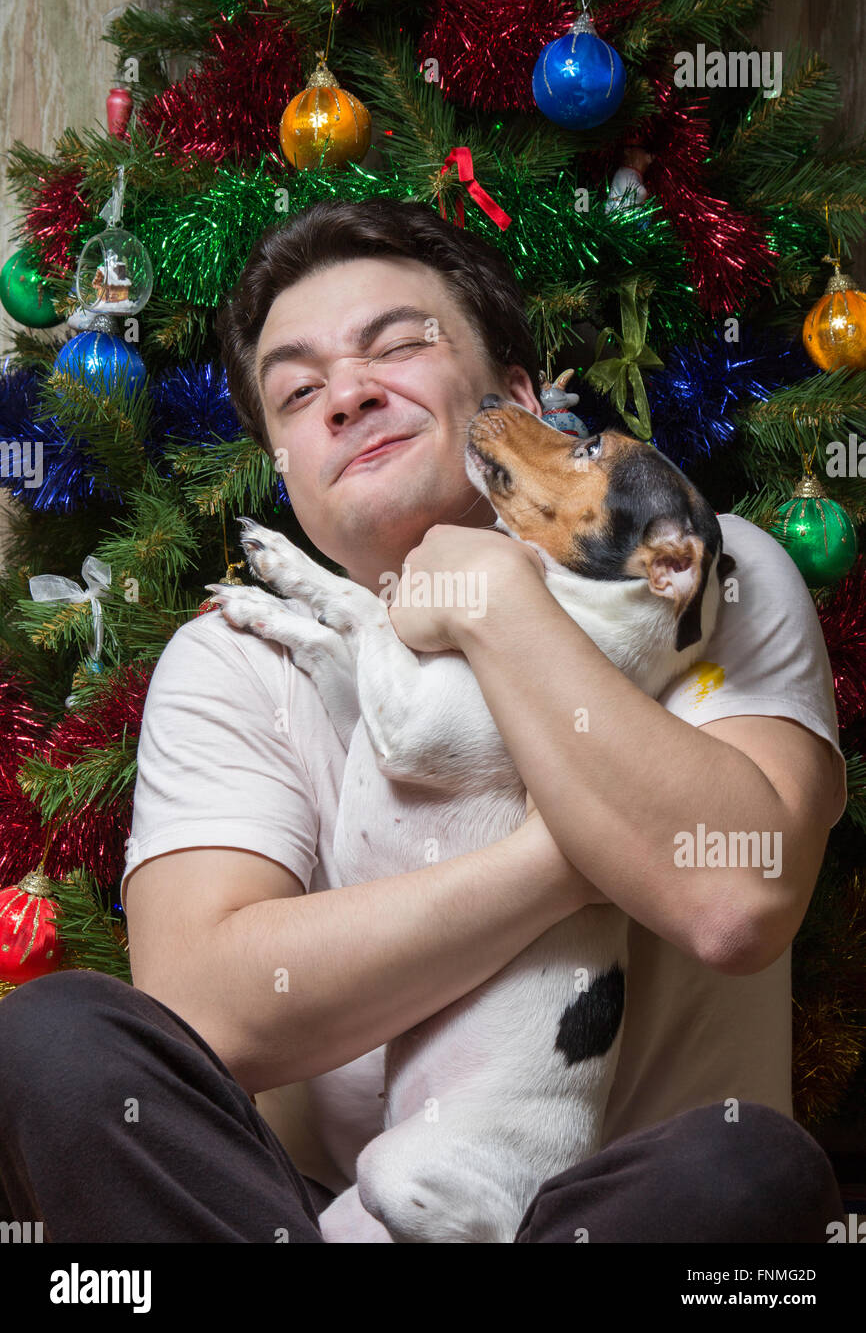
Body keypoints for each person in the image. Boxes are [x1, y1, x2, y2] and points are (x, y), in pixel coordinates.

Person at [0, 198, 848, 1243]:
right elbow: (209, 1008)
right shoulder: (228, 660)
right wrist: (577, 856)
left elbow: (732, 895)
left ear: (520, 403)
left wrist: (493, 598)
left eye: (397, 345)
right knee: (51, 1042)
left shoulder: (696, 568)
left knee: (745, 1168)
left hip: (611, 1215)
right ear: (285, 473)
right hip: (328, 1220)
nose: (347, 395)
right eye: (298, 391)